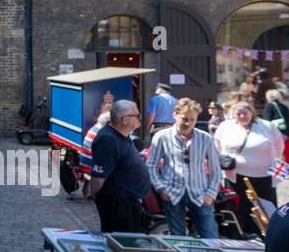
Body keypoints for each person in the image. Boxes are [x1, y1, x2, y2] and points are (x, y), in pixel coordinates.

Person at [147, 98, 222, 238]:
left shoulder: (205, 138)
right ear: (175, 115)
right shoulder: (161, 136)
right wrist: (161, 188)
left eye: (192, 119)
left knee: (211, 237)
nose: (188, 123)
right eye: (184, 119)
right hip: (172, 192)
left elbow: (215, 170)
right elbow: (151, 165)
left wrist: (211, 194)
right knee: (178, 237)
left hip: (200, 192)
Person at [215, 100, 285, 235]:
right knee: (239, 206)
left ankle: (264, 233)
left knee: (263, 206)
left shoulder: (266, 126)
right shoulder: (225, 126)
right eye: (238, 113)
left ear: (251, 113)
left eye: (245, 113)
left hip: (264, 175)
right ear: (233, 114)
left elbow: (279, 145)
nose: (242, 116)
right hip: (235, 174)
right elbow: (216, 145)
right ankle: (239, 232)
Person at [89, 99, 150, 233]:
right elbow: (98, 178)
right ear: (125, 120)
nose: (140, 118)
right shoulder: (109, 140)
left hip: (127, 202)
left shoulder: (121, 135)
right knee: (121, 244)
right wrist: (99, 198)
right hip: (119, 204)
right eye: (137, 115)